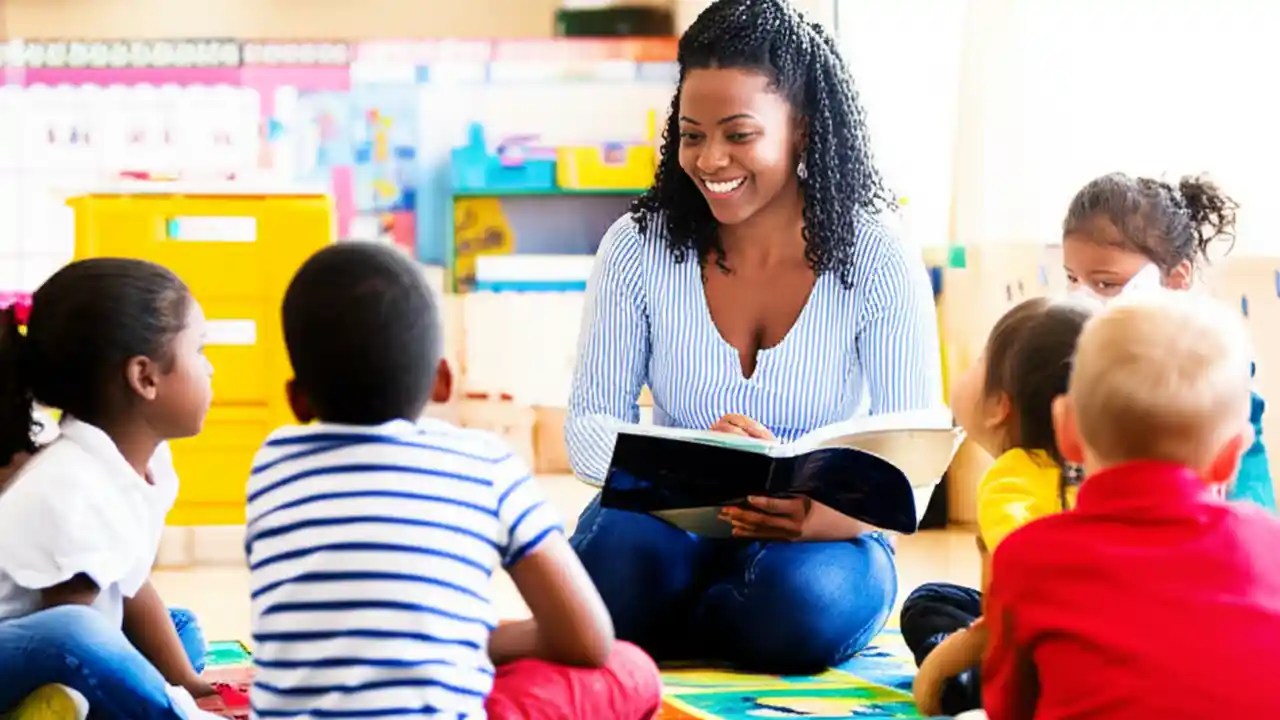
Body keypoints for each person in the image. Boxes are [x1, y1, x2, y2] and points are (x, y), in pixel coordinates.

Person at [566, 0, 942, 672]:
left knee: (801, 606)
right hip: (669, 518)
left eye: (739, 135)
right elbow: (591, 424)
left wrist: (814, 515)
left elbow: (913, 467)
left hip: (824, 539)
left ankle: (681, 625)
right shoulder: (635, 249)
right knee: (607, 564)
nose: (710, 159)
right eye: (691, 134)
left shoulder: (878, 258)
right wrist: (693, 463)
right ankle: (698, 616)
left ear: (801, 129)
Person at [245, 243, 661, 720]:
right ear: (443, 381)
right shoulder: (484, 463)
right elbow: (588, 641)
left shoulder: (271, 463)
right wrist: (476, 638)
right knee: (630, 670)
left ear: (297, 401)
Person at [984, 291, 1280, 719]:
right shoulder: (1270, 545)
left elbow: (1007, 708)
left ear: (1066, 431)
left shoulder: (1027, 557)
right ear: (1230, 457)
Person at [0, 259, 219, 719]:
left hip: (69, 644)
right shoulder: (71, 485)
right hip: (31, 651)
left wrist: (193, 684)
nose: (210, 369)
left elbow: (131, 586)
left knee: (182, 628)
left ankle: (140, 699)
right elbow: (69, 624)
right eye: (199, 351)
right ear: (145, 377)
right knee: (78, 633)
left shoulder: (141, 464)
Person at [901, 297, 1094, 716]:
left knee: (926, 604)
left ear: (999, 407)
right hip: (1094, 632)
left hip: (1035, 631)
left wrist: (953, 655)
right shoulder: (1099, 468)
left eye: (979, 361)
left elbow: (1019, 573)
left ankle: (970, 683)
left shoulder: (1012, 475)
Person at [1062, 172, 1275, 512]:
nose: (1080, 297)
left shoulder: (1214, 359)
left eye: (1105, 284)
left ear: (1175, 279)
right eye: (1071, 278)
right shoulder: (1089, 350)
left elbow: (1241, 496)